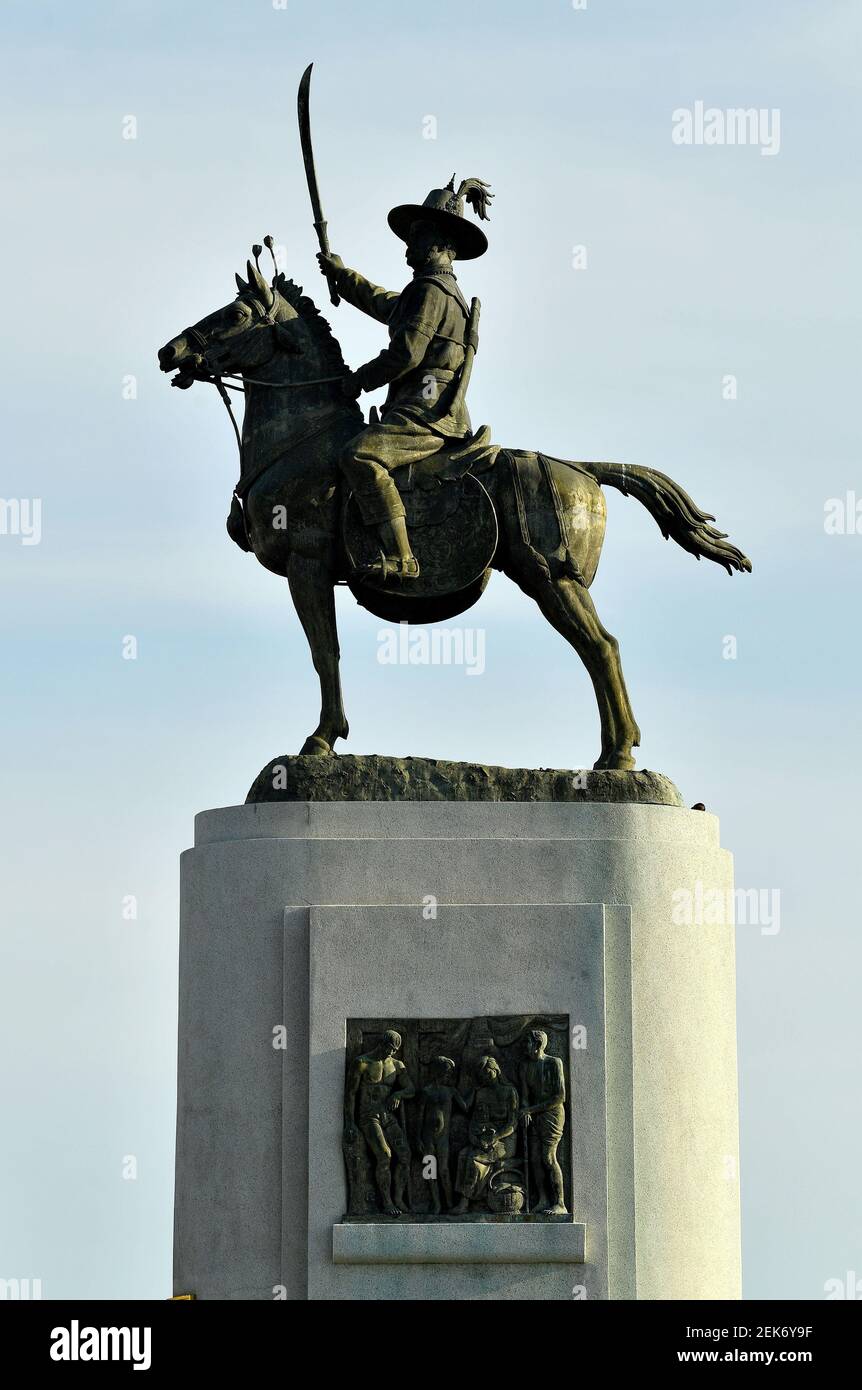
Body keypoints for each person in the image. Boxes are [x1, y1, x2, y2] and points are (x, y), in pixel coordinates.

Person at [317, 175, 492, 580]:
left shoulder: (431, 291)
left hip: (425, 412)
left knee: (359, 455)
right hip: (427, 407)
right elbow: (386, 303)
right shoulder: (433, 291)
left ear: (437, 244)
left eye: (415, 238)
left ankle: (402, 558)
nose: (407, 248)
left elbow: (407, 354)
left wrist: (357, 381)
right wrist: (343, 275)